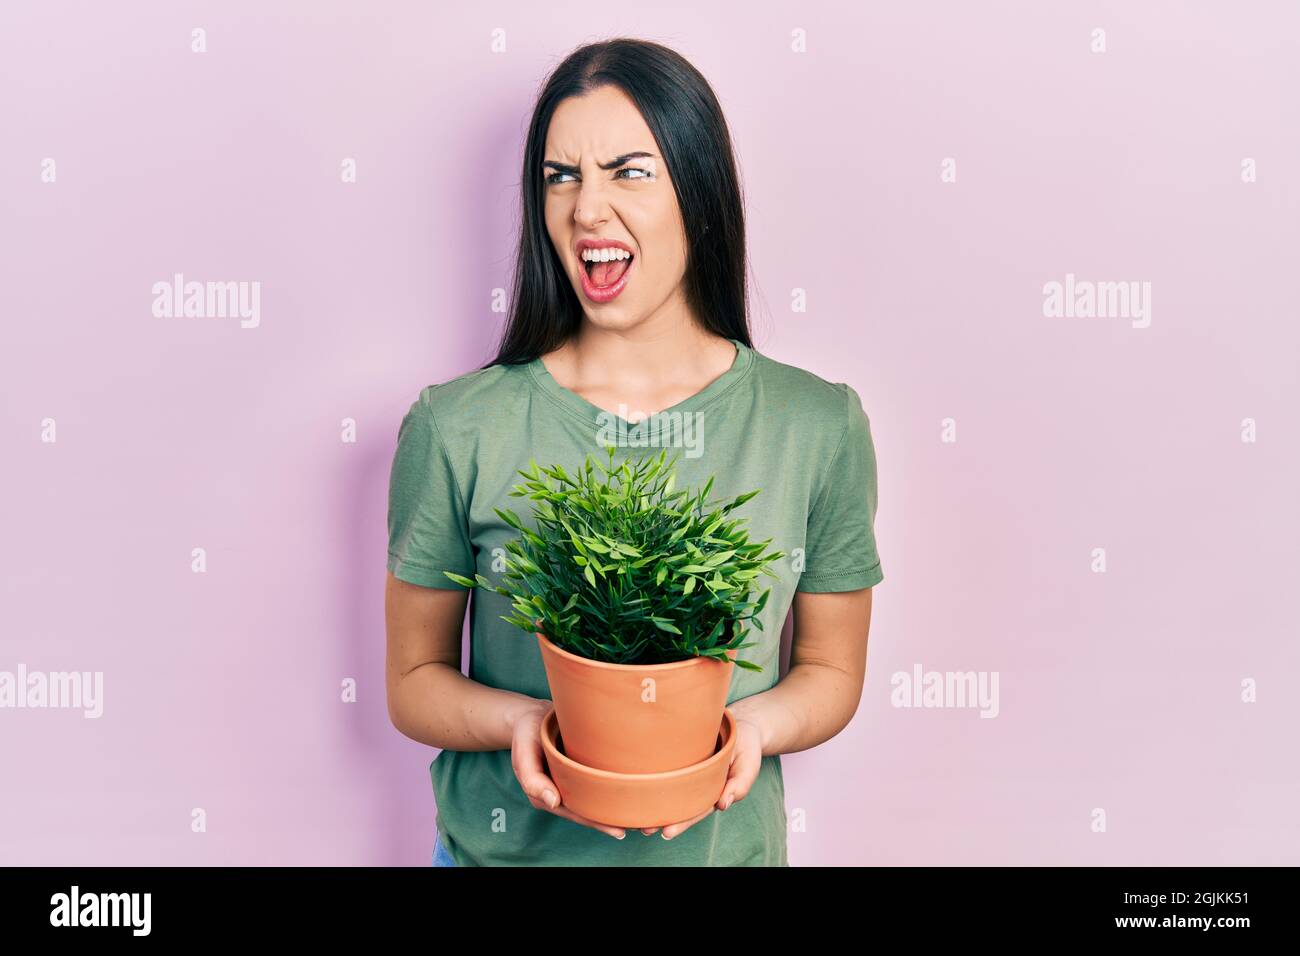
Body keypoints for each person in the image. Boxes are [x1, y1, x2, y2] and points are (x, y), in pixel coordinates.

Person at [385, 37, 882, 866]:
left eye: (629, 170)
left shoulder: (815, 425)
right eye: (560, 175)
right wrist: (522, 722)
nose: (585, 209)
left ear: (700, 190)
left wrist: (749, 729)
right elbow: (411, 681)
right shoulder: (456, 425)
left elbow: (831, 668)